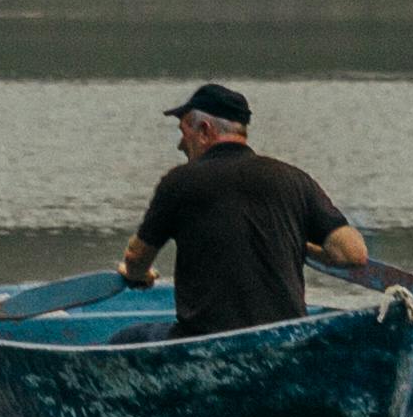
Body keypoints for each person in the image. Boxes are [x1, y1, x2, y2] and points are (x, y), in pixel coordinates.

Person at [119, 83, 371, 336]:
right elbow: (353, 254)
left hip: (204, 339)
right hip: (286, 336)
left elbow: (136, 258)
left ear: (205, 130)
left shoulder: (179, 182)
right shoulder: (293, 179)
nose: (181, 145)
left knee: (126, 337)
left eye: (184, 132)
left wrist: (137, 275)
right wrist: (292, 242)